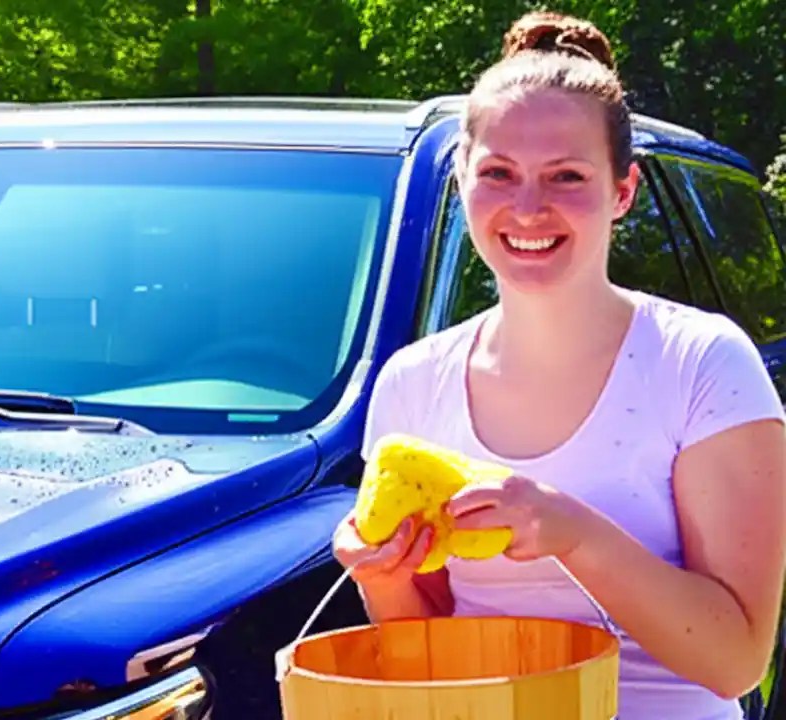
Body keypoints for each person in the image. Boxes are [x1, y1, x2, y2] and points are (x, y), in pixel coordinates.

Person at [331, 10, 786, 720]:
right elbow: (428, 650)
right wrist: (383, 577)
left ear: (623, 191)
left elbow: (737, 661)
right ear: (461, 180)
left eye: (566, 176)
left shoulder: (701, 363)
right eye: (498, 173)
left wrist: (573, 532)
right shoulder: (412, 383)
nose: (528, 208)